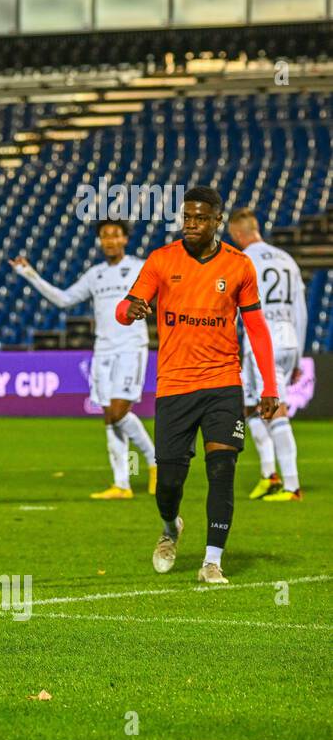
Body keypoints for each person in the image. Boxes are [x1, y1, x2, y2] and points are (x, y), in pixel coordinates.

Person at [116, 186, 278, 584]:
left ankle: (212, 561)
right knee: (169, 480)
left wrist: (270, 386)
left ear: (217, 221)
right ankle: (171, 525)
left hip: (223, 383)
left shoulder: (239, 266)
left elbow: (256, 328)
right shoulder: (161, 260)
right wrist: (131, 310)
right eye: (187, 217)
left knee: (222, 469)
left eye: (201, 218)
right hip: (174, 385)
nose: (192, 224)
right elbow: (124, 309)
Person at [10, 219, 157, 498]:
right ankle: (121, 484)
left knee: (118, 411)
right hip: (103, 350)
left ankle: (154, 461)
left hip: (130, 347)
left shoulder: (140, 267)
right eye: (105, 236)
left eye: (115, 235)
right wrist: (29, 274)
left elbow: (164, 293)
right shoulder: (95, 275)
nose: (110, 241)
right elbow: (63, 299)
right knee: (109, 417)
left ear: (125, 239)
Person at [227, 208, 305, 502]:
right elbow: (301, 309)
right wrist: (297, 354)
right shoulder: (287, 260)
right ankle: (269, 475)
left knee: (275, 409)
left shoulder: (244, 261)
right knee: (248, 407)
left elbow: (234, 307)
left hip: (262, 340)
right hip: (288, 336)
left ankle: (292, 486)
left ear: (236, 234)